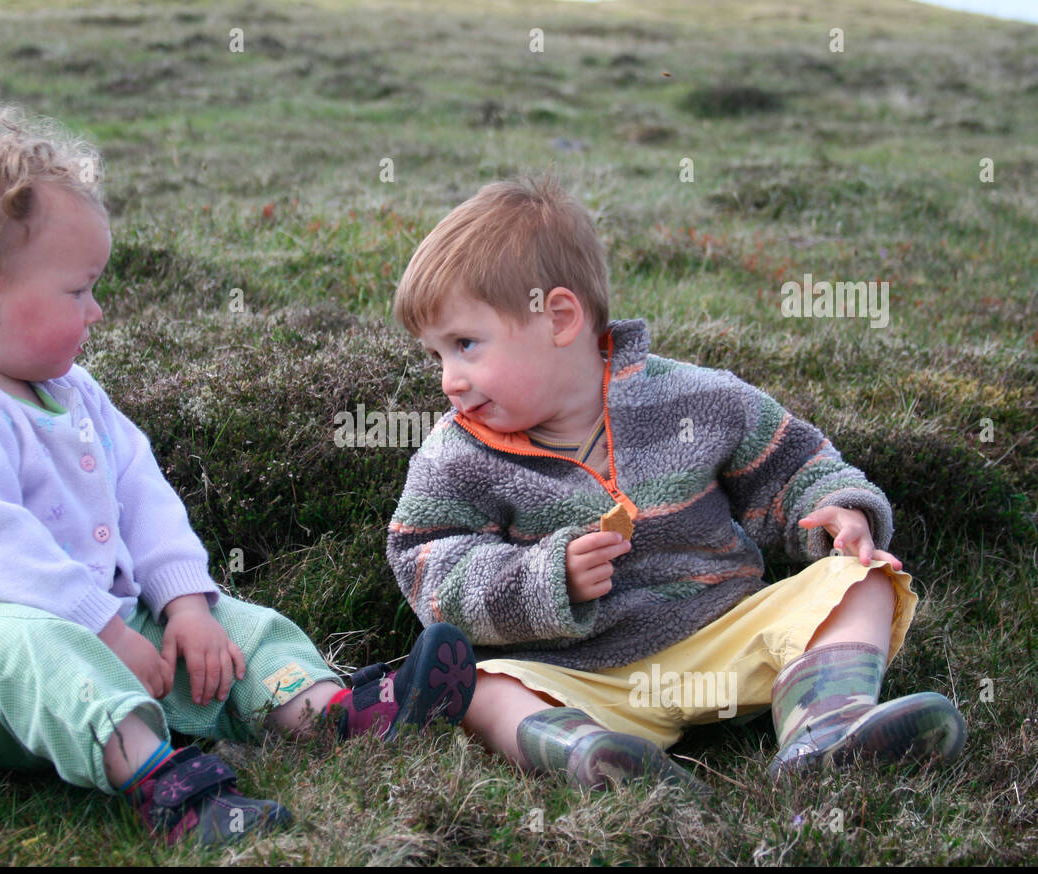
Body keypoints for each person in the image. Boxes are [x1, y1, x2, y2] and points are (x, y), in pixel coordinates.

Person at [0, 96, 476, 847]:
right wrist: (105, 630)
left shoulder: (71, 392)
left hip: (99, 616)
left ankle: (329, 711)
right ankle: (164, 785)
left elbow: (140, 492)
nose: (98, 311)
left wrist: (182, 606)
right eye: (78, 291)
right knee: (37, 650)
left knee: (240, 625)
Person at [386, 176, 964, 794]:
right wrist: (545, 578)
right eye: (437, 356)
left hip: (727, 644)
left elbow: (791, 460)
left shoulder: (696, 397)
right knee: (483, 687)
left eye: (466, 345)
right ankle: (589, 752)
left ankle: (825, 726)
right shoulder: (457, 452)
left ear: (558, 317)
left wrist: (834, 509)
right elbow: (427, 565)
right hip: (585, 676)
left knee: (862, 580)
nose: (450, 380)